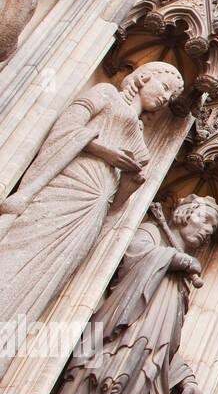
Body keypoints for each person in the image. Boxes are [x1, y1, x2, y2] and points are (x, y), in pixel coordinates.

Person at [10, 195, 218, 394]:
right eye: (205, 219)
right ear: (185, 214)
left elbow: (166, 345)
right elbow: (127, 261)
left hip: (144, 371)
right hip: (109, 348)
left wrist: (187, 383)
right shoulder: (152, 236)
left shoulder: (179, 286)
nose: (208, 230)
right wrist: (169, 259)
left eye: (213, 227)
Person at [0, 62, 184, 359]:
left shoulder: (139, 133)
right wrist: (104, 150)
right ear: (144, 76)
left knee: (46, 277)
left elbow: (116, 207)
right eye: (165, 88)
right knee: (19, 251)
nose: (166, 98)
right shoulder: (106, 94)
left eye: (171, 97)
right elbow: (66, 127)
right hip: (68, 186)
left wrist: (130, 183)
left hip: (92, 210)